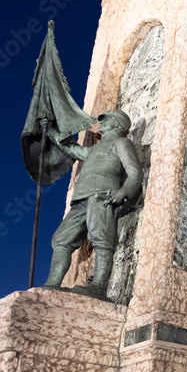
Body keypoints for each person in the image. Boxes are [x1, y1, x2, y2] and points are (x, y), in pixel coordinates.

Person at [43, 110, 142, 298]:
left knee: (100, 237)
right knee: (61, 239)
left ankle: (97, 286)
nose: (101, 123)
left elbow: (135, 172)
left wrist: (123, 192)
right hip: (81, 197)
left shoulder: (121, 143)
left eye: (106, 120)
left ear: (117, 124)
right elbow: (70, 149)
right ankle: (52, 283)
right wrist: (50, 131)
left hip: (102, 194)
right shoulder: (95, 149)